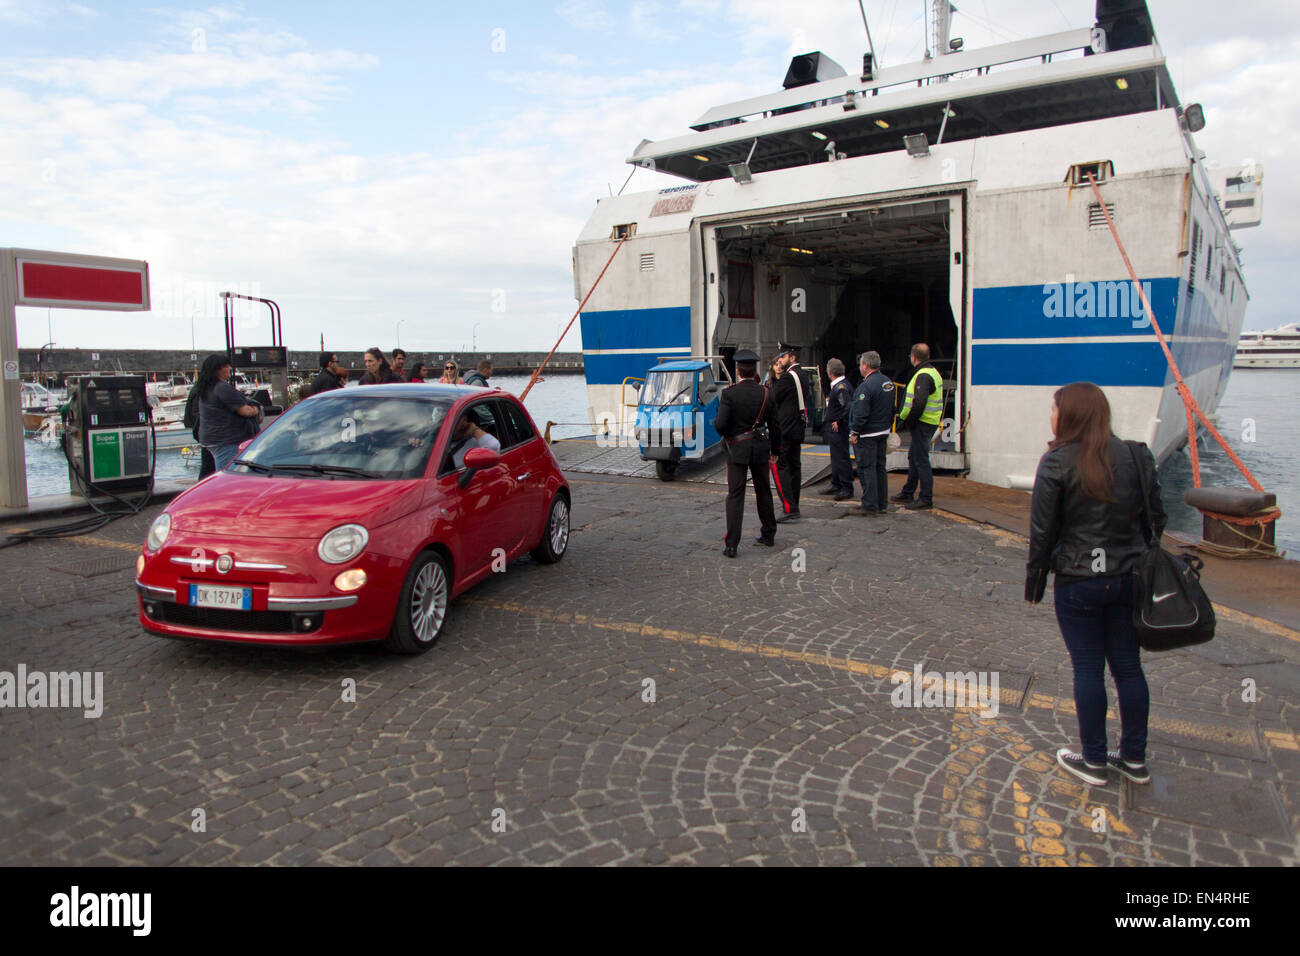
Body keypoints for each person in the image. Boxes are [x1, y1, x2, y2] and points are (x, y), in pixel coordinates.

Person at [1026, 382, 1165, 787]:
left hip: (1079, 581)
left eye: (1054, 409)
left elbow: (1042, 532)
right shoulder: (1136, 455)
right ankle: (1135, 759)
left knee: (1087, 667)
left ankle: (1094, 760)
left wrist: (1035, 581)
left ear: (1068, 415)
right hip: (1128, 579)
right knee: (1127, 666)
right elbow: (1157, 519)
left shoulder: (1056, 461)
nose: (1051, 416)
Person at [713, 350, 781, 558]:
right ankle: (768, 534)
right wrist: (775, 451)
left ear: (737, 370)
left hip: (737, 449)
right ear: (755, 370)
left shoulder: (729, 393)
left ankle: (732, 544)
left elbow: (720, 425)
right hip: (761, 448)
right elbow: (775, 426)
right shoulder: (766, 393)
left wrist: (731, 433)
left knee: (735, 496)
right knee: (763, 491)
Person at [892, 343, 943, 510]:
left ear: (913, 357)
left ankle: (925, 498)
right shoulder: (933, 373)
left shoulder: (923, 375)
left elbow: (919, 402)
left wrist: (909, 421)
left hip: (923, 423)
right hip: (928, 422)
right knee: (914, 457)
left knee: (921, 460)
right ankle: (908, 492)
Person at [195, 354, 262, 472]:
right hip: (227, 441)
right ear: (218, 369)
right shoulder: (222, 388)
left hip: (210, 440)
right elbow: (245, 411)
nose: (230, 368)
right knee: (229, 475)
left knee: (215, 474)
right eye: (226, 366)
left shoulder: (205, 388)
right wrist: (256, 410)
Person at [848, 351, 895, 515]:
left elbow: (861, 412)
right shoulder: (887, 382)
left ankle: (869, 504)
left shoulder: (866, 386)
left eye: (861, 364)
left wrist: (854, 431)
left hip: (867, 434)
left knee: (867, 468)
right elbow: (891, 409)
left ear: (865, 366)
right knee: (880, 468)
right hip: (882, 431)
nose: (860, 367)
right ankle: (881, 503)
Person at [769, 342, 811, 521]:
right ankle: (794, 504)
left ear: (792, 357)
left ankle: (789, 507)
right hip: (796, 428)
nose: (780, 360)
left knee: (778, 466)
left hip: (784, 429)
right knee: (795, 467)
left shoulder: (787, 378)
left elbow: (772, 398)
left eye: (783, 356)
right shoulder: (802, 375)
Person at [820, 358, 854, 501]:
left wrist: (838, 420)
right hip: (835, 428)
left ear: (829, 372)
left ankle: (846, 487)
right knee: (836, 456)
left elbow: (847, 406)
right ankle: (836, 482)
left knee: (841, 456)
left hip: (838, 428)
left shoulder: (840, 387)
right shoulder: (840, 385)